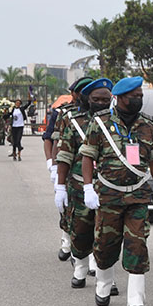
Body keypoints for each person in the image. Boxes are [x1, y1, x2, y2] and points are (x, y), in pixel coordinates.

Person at [80, 76, 153, 306]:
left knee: (137, 244)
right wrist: (88, 188)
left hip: (137, 194)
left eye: (140, 95)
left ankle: (136, 299)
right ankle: (103, 285)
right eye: (134, 96)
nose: (138, 99)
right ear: (120, 98)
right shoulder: (100, 123)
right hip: (108, 195)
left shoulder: (148, 124)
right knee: (106, 245)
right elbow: (88, 156)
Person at [57, 78, 117, 291]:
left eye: (106, 99)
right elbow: (64, 155)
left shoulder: (116, 122)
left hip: (110, 187)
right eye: (97, 99)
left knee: (107, 233)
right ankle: (80, 267)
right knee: (81, 230)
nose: (102, 103)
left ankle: (107, 278)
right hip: (80, 185)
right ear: (87, 99)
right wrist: (60, 186)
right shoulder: (75, 122)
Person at [50, 77, 95, 261]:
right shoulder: (66, 114)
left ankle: (91, 256)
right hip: (71, 170)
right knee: (69, 209)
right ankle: (67, 240)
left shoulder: (103, 115)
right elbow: (57, 141)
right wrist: (54, 167)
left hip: (94, 174)